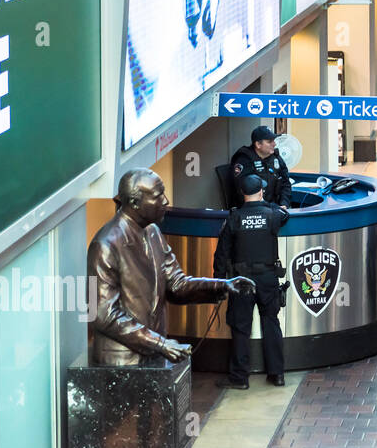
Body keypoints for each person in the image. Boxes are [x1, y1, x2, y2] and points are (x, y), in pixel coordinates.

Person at [89, 168, 252, 367]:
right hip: (123, 363)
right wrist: (160, 344)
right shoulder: (106, 245)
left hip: (153, 356)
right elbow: (104, 315)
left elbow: (176, 284)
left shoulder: (153, 232)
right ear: (134, 202)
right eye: (158, 196)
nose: (165, 201)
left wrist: (221, 285)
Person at [213, 174, 289, 389]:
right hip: (267, 278)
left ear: (242, 193)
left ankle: (239, 378)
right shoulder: (272, 215)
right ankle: (277, 374)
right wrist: (267, 204)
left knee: (241, 328)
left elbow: (221, 254)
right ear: (261, 191)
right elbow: (284, 215)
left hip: (242, 280)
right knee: (271, 322)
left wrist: (219, 283)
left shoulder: (234, 218)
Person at [230, 126, 292, 208]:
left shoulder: (275, 157)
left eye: (274, 140)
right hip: (253, 211)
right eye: (270, 142)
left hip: (276, 208)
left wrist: (284, 204)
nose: (274, 144)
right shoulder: (244, 159)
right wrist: (272, 208)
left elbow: (286, 183)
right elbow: (245, 193)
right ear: (258, 144)